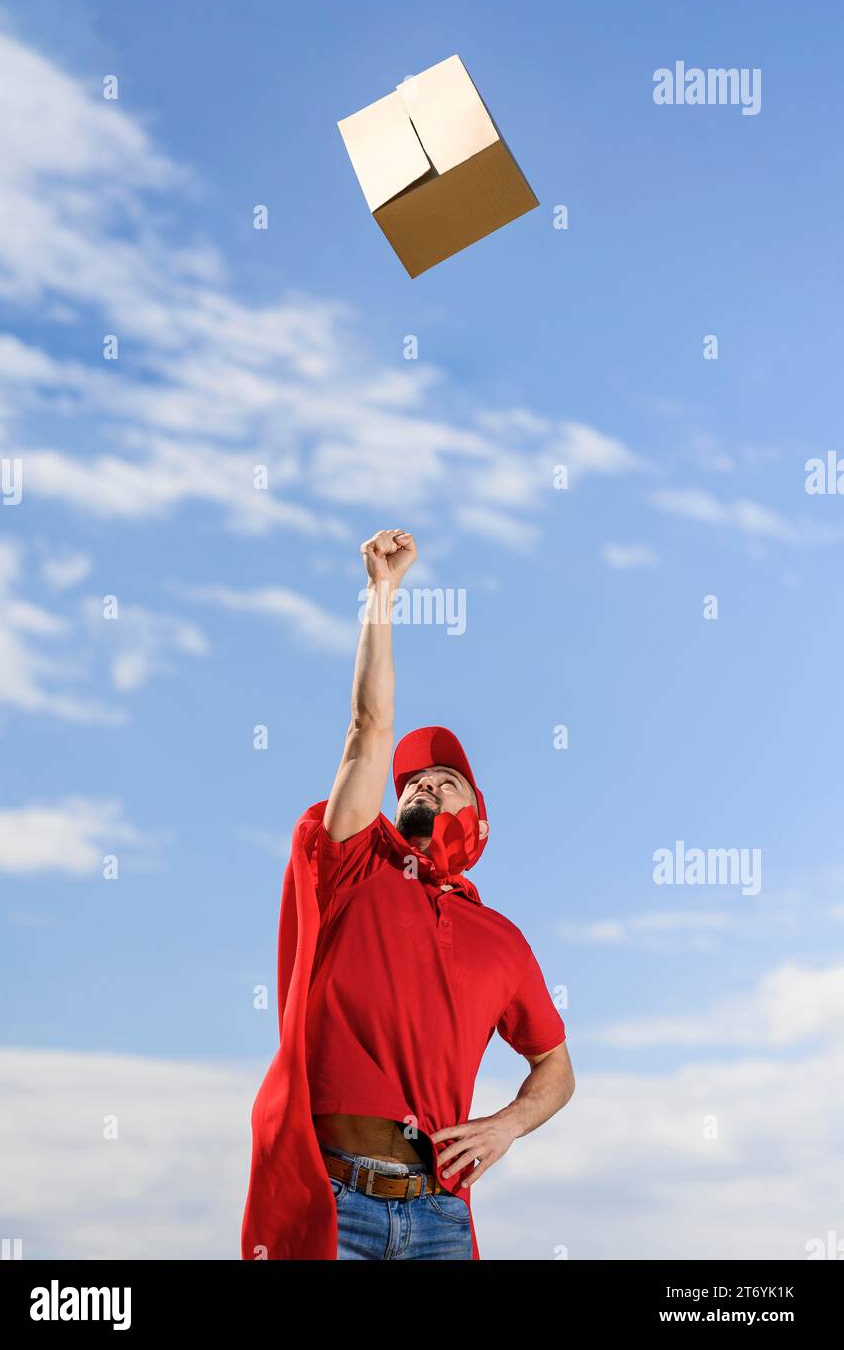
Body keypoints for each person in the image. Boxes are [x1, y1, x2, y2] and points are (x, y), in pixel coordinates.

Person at [241, 529, 575, 1260]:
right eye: (413, 782)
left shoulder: (503, 942)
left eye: (443, 780)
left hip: (438, 1219)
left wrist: (506, 1126)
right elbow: (369, 728)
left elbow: (556, 1067)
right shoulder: (352, 866)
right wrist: (381, 595)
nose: (422, 783)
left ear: (476, 817)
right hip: (335, 1201)